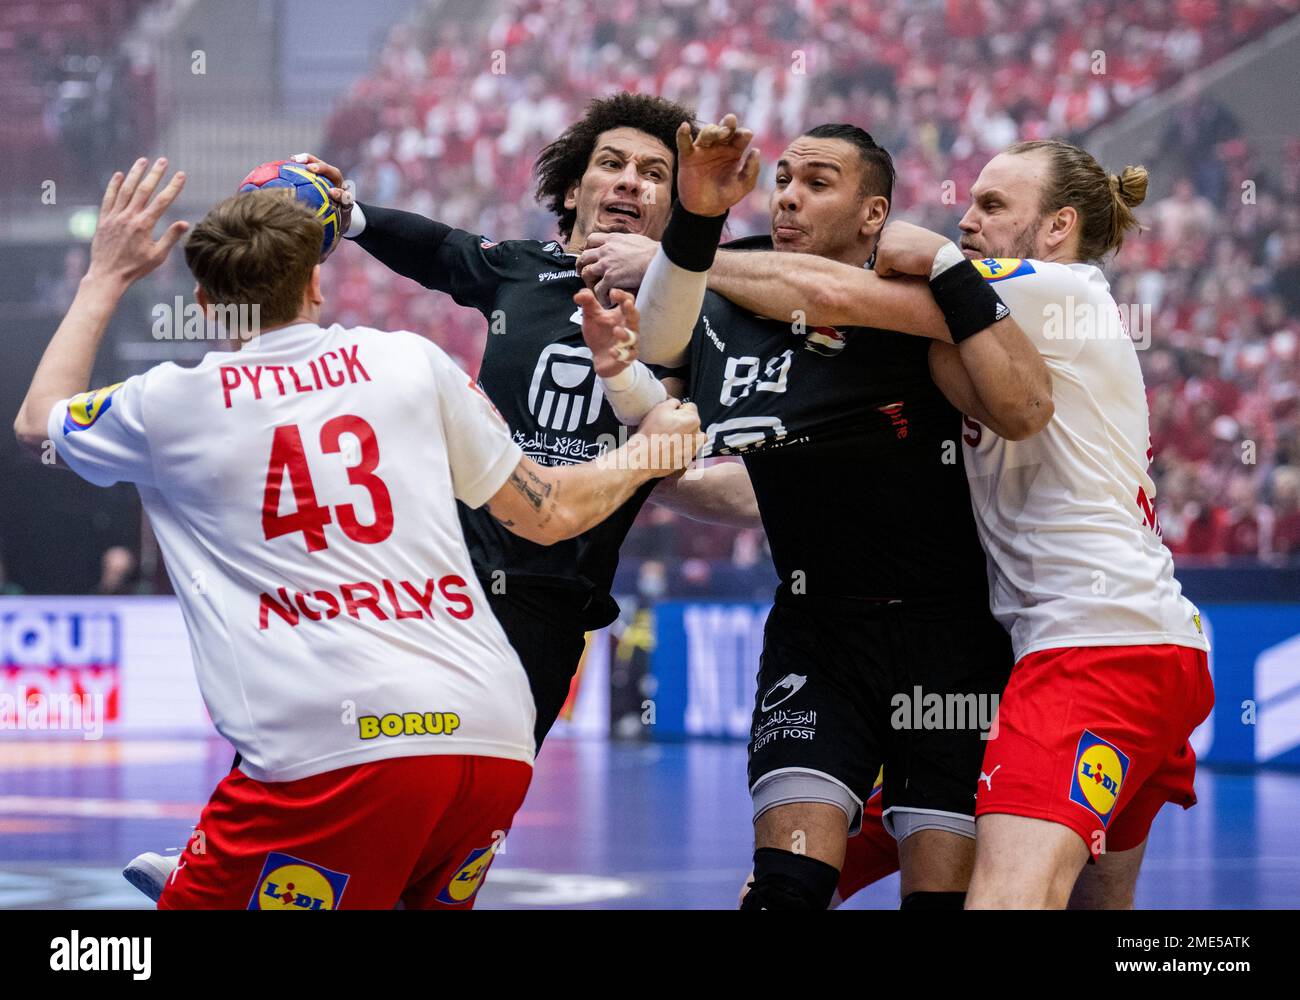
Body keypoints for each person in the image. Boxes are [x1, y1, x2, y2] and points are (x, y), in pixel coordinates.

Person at [13, 160, 702, 908]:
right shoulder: (406, 361)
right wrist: (648, 449)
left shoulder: (169, 405)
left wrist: (105, 278)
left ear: (206, 303)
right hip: (491, 738)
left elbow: (36, 421)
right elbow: (551, 513)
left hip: (335, 755)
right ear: (317, 283)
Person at [621, 137, 1213, 909]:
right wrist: (659, 476)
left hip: (1090, 648)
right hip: (1146, 640)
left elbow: (830, 294)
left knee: (1004, 897)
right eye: (968, 201)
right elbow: (803, 482)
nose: (966, 220)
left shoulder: (1042, 287)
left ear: (1060, 226)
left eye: (994, 207)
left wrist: (675, 264)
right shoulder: (978, 342)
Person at [581, 123, 1052, 909]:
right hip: (819, 634)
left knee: (941, 897)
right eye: (786, 178)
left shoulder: (924, 305)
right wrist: (647, 467)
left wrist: (683, 259)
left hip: (955, 640)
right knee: (787, 888)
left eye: (819, 182)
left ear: (875, 215)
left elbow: (1017, 403)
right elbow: (752, 473)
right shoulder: (729, 303)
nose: (791, 194)